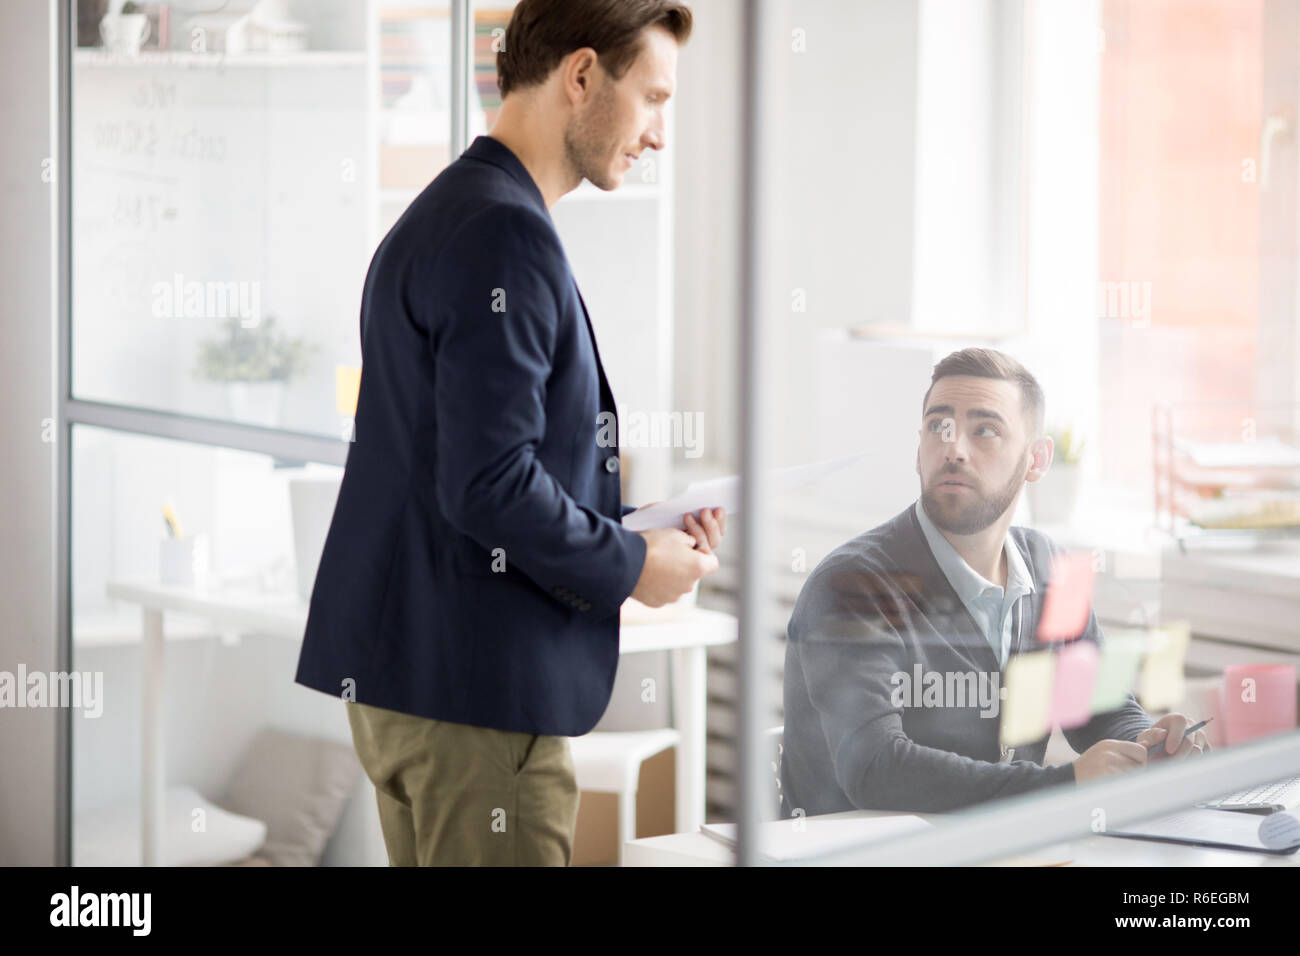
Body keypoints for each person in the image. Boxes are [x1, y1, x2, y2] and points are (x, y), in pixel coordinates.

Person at [294, 0, 724, 866]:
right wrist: (633, 567)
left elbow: (460, 460)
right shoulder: (505, 234)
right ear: (580, 76)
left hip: (410, 677)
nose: (658, 134)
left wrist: (634, 522)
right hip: (478, 700)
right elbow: (488, 483)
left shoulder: (447, 210)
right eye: (653, 97)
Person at [780, 347, 1209, 817]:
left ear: (1036, 460)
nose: (953, 449)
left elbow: (1099, 708)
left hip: (999, 846)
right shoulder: (852, 587)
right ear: (918, 449)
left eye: (985, 430)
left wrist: (1147, 743)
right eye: (937, 426)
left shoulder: (1051, 567)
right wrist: (1069, 784)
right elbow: (875, 768)